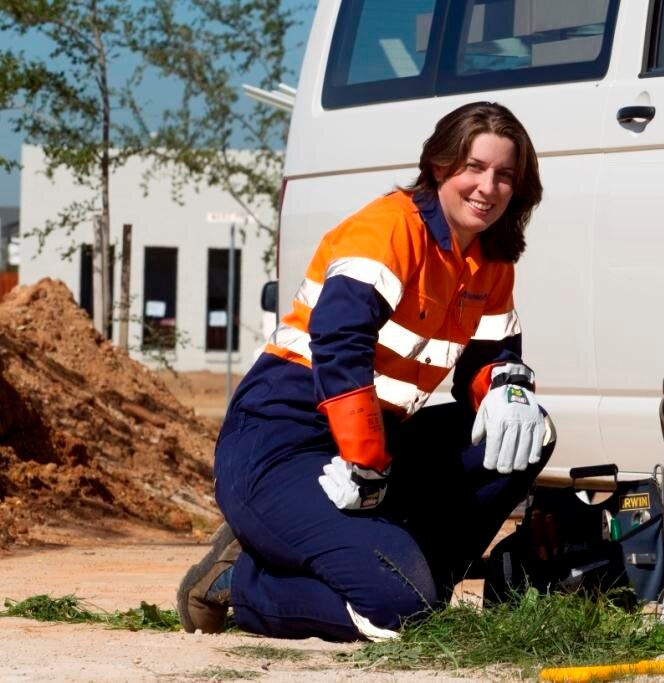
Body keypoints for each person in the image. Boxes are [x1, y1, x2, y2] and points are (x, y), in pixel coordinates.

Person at [177, 101, 555, 641]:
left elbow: (491, 355)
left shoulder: (491, 260)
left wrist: (504, 384)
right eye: (473, 167)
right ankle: (239, 580)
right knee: (395, 609)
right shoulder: (388, 229)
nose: (487, 187)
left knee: (527, 430)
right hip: (281, 440)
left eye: (504, 175)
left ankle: (419, 588)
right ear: (439, 165)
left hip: (376, 443)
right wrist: (364, 458)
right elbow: (338, 341)